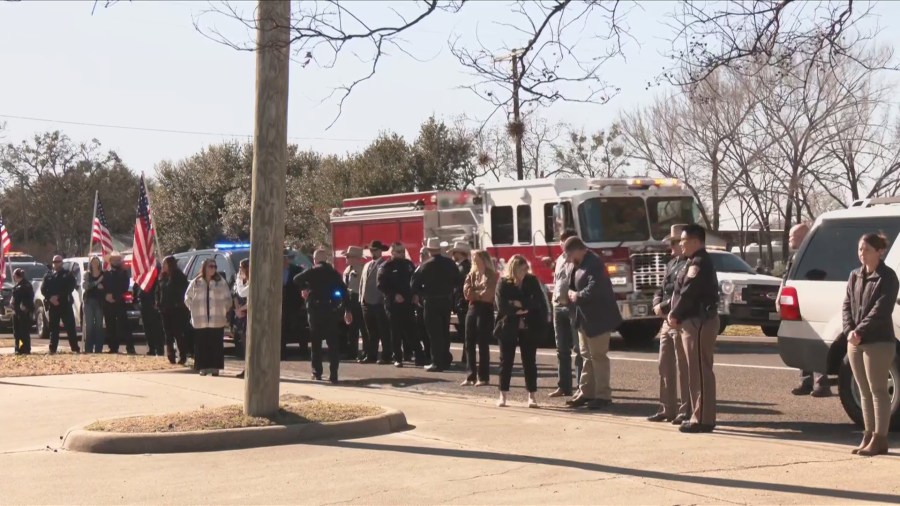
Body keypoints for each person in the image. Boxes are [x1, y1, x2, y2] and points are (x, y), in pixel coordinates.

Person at [842, 233, 898, 457]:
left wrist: (860, 330)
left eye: (866, 249)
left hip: (878, 342)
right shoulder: (854, 275)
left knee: (878, 391)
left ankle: (880, 438)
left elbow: (881, 310)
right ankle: (868, 433)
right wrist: (849, 331)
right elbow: (846, 305)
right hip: (855, 341)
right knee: (863, 391)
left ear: (879, 251)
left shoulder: (888, 277)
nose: (861, 253)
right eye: (859, 249)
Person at [668, 224, 720, 434]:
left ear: (696, 241)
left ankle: (703, 419)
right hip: (693, 321)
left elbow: (688, 293)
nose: (680, 244)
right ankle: (697, 415)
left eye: (683, 240)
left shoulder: (698, 262)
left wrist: (675, 314)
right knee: (695, 370)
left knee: (700, 369)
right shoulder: (690, 261)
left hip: (699, 321)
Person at [564, 237, 622, 410]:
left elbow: (596, 287)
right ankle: (586, 392)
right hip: (584, 318)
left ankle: (603, 395)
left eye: (569, 253)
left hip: (598, 318)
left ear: (578, 250)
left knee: (598, 356)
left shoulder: (594, 263)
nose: (567, 257)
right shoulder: (579, 263)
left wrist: (578, 295)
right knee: (586, 356)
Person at [648, 225, 691, 424]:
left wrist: (664, 306)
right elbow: (662, 288)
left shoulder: (690, 264)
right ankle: (667, 408)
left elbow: (681, 293)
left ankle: (686, 409)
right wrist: (657, 303)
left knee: (684, 366)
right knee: (664, 364)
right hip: (666, 319)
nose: (671, 247)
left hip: (680, 318)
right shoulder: (672, 263)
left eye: (674, 243)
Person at [785, 222, 830, 397]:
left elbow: (819, 278)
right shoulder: (795, 257)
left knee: (816, 343)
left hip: (814, 303)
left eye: (792, 235)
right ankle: (806, 381)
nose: (790, 239)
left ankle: (822, 384)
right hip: (798, 305)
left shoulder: (816, 255)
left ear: (804, 236)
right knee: (802, 343)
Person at [494, 255, 546, 408]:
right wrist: (520, 308)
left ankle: (532, 395)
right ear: (513, 269)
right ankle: (503, 395)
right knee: (506, 361)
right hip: (508, 324)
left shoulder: (531, 280)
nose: (524, 272)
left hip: (529, 325)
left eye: (525, 269)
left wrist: (519, 304)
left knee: (529, 361)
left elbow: (537, 301)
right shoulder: (504, 282)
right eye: (521, 269)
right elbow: (502, 305)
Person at [294, 249, 352, 383]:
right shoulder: (333, 273)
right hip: (330, 309)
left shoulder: (312, 271)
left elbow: (296, 279)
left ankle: (317, 372)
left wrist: (305, 287)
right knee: (333, 344)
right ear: (326, 259)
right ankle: (334, 374)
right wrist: (347, 310)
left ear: (315, 259)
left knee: (316, 343)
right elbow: (344, 291)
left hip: (315, 310)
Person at [412, 238, 463, 372]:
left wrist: (423, 293)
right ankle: (446, 359)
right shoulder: (450, 263)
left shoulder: (425, 265)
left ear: (428, 250)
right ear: (439, 249)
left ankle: (436, 362)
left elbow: (414, 284)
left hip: (431, 301)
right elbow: (458, 280)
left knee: (434, 333)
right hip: (446, 300)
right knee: (445, 331)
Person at [377, 242, 422, 367]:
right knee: (395, 333)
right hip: (394, 305)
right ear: (392, 253)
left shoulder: (408, 265)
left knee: (412, 331)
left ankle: (419, 356)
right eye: (398, 251)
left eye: (403, 251)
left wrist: (416, 294)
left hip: (408, 304)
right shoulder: (386, 266)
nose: (401, 254)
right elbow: (381, 285)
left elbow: (415, 281)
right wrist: (394, 295)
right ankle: (397, 358)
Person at [549, 229, 582, 398]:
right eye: (562, 241)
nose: (563, 244)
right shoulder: (559, 259)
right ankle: (563, 386)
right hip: (558, 305)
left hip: (572, 307)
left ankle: (581, 387)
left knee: (578, 348)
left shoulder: (577, 260)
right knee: (561, 349)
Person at [185, 258, 232, 376]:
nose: (213, 269)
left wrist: (224, 309)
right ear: (205, 267)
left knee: (216, 344)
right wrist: (192, 308)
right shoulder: (196, 281)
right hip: (200, 320)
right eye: (211, 266)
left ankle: (215, 367)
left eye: (215, 267)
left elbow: (228, 298)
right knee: (201, 344)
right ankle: (203, 367)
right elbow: (187, 297)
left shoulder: (220, 281)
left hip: (217, 319)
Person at [461, 249, 498, 386]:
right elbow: (467, 293)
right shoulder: (471, 274)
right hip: (472, 307)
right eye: (472, 258)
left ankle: (484, 377)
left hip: (485, 309)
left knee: (483, 342)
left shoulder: (491, 275)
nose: (474, 260)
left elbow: (488, 294)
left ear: (483, 259)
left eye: (476, 257)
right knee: (469, 341)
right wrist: (477, 293)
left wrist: (475, 293)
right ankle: (470, 375)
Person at [358, 240, 391, 364]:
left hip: (379, 302)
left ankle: (386, 356)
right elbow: (362, 283)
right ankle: (371, 355)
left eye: (375, 250)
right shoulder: (367, 265)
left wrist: (383, 300)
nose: (373, 252)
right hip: (366, 303)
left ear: (381, 251)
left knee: (384, 331)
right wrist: (361, 299)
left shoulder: (385, 264)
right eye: (371, 250)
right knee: (371, 332)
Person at [41, 255, 80, 354]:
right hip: (53, 305)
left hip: (65, 304)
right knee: (53, 328)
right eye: (54, 262)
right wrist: (50, 297)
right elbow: (43, 289)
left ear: (62, 263)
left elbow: (70, 288)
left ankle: (75, 348)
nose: (56, 263)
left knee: (70, 328)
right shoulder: (48, 275)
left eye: (58, 261)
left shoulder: (67, 274)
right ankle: (52, 349)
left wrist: (58, 296)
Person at [158, 256, 191, 365]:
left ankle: (182, 356)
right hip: (165, 310)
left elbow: (182, 292)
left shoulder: (179, 277)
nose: (163, 266)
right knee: (168, 334)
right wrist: (158, 303)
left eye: (165, 264)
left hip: (177, 311)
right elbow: (158, 291)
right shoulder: (163, 277)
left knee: (178, 333)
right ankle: (170, 354)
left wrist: (178, 303)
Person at [103, 251, 136, 355]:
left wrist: (115, 297)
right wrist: (106, 295)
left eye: (118, 259)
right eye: (114, 259)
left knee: (124, 326)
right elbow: (102, 287)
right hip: (108, 304)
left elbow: (124, 287)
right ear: (110, 261)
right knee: (110, 326)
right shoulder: (106, 274)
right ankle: (113, 347)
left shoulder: (123, 273)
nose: (116, 261)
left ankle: (130, 347)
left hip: (120, 302)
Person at [341, 246, 367, 361]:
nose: (346, 258)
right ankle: (352, 352)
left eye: (349, 256)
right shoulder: (347, 270)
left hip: (359, 298)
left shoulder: (362, 269)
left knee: (363, 328)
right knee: (352, 328)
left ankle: (366, 352)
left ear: (356, 258)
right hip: (349, 299)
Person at [282, 250, 307, 358]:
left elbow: (303, 286)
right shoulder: (274, 270)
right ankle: (281, 352)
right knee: (281, 329)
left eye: (288, 258)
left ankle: (304, 352)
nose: (287, 260)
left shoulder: (297, 270)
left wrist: (302, 302)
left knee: (298, 328)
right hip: (280, 305)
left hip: (294, 304)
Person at [134, 268, 165, 357]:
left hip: (153, 304)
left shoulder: (156, 272)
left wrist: (157, 301)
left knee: (157, 329)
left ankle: (159, 350)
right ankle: (151, 349)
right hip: (144, 303)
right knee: (147, 328)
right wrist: (135, 299)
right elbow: (136, 286)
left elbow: (159, 288)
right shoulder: (142, 273)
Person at [450, 242, 472, 364]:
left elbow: (459, 288)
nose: (453, 254)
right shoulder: (463, 266)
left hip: (462, 304)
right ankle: (466, 357)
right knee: (465, 332)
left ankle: (467, 357)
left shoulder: (463, 268)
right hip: (462, 303)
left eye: (455, 252)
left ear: (460, 253)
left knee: (465, 332)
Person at [81, 256, 106, 354]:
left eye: (97, 262)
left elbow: (105, 287)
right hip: (89, 302)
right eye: (93, 262)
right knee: (90, 325)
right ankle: (88, 349)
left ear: (99, 264)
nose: (95, 264)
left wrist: (102, 287)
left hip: (99, 302)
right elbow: (86, 286)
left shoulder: (103, 275)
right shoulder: (88, 274)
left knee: (99, 326)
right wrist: (97, 282)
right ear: (90, 264)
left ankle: (98, 349)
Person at [10, 268, 34, 355]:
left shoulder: (26, 285)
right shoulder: (17, 286)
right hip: (16, 312)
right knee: (17, 333)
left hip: (23, 312)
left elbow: (29, 298)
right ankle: (18, 348)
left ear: (17, 276)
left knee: (24, 332)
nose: (13, 277)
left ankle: (26, 349)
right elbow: (14, 296)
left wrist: (25, 306)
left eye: (14, 275)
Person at [233, 258, 250, 379]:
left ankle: (250, 369)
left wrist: (239, 280)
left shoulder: (252, 281)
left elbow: (243, 293)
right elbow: (235, 294)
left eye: (241, 268)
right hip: (242, 315)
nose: (239, 270)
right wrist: (237, 309)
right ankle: (247, 368)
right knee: (244, 344)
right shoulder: (241, 280)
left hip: (250, 315)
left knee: (250, 345)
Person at [414, 246, 432, 360]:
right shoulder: (417, 267)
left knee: (429, 330)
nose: (422, 255)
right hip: (419, 304)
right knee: (422, 330)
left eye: (425, 253)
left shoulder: (430, 268)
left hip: (428, 303)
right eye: (421, 253)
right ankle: (426, 352)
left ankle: (430, 353)